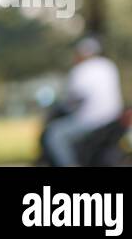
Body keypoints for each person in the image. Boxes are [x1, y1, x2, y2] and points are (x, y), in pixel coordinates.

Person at [43, 36, 124, 166]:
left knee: (55, 135)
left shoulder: (80, 70)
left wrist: (65, 106)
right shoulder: (109, 65)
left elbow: (74, 99)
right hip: (113, 117)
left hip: (91, 120)